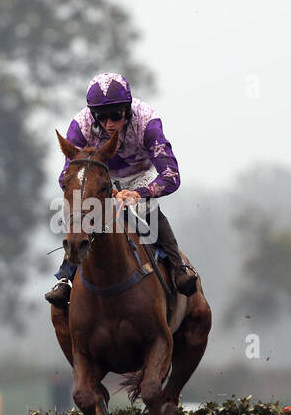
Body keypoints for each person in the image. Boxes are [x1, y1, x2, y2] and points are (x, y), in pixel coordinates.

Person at [47, 72, 198, 309]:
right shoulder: (80, 126)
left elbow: (171, 175)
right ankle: (65, 277)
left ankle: (178, 267)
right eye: (102, 117)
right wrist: (97, 193)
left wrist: (140, 193)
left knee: (146, 207)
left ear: (126, 111)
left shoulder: (147, 121)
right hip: (99, 180)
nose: (109, 123)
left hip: (140, 176)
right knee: (84, 213)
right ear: (93, 114)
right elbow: (67, 177)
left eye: (115, 115)